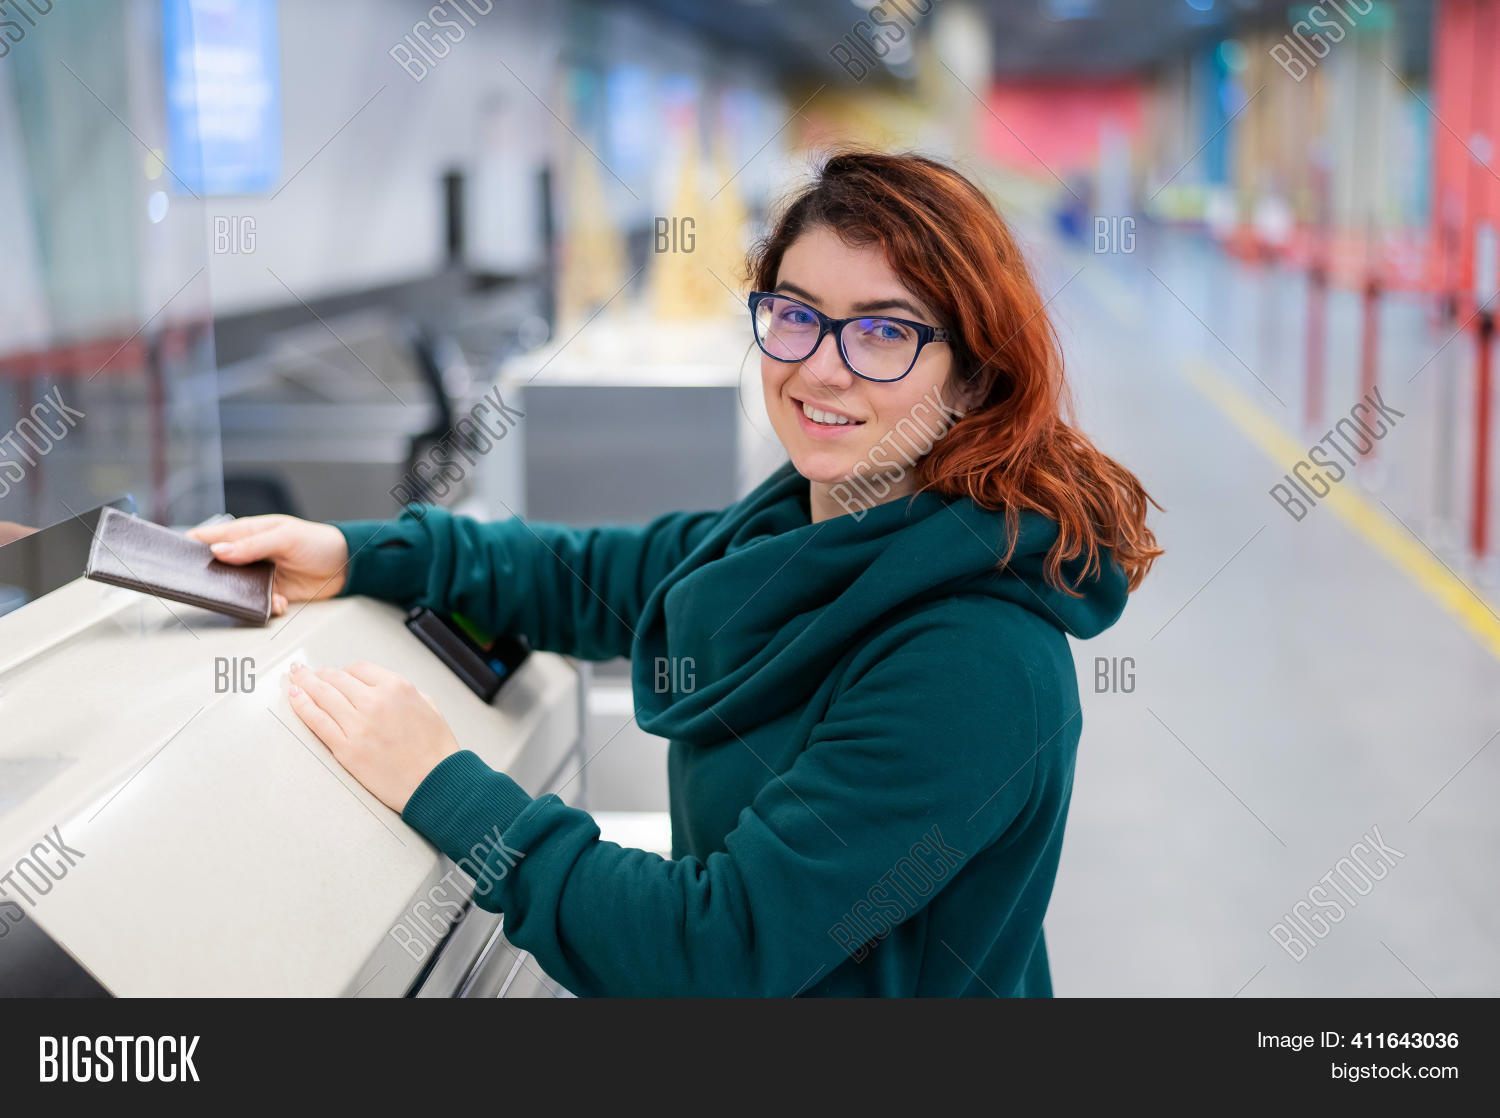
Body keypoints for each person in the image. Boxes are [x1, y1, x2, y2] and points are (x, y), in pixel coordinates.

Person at [192, 150, 1161, 996]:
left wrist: (442, 781)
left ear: (977, 372)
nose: (820, 368)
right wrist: (365, 553)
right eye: (796, 315)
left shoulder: (973, 659)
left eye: (883, 330)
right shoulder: (799, 525)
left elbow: (716, 955)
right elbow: (595, 574)